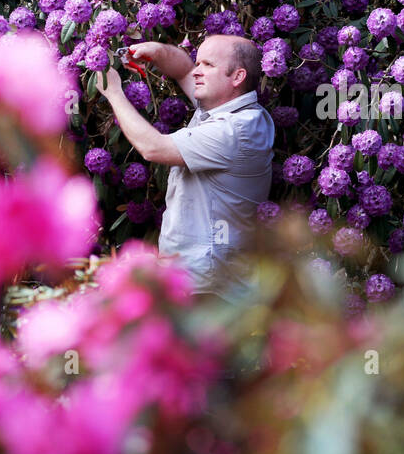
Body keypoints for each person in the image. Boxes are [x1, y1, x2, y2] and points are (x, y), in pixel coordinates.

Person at [95, 35, 275, 304]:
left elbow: (153, 148)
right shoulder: (220, 108)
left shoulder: (237, 128)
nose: (198, 71)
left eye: (208, 65)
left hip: (210, 288)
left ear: (237, 77)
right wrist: (155, 50)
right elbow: (183, 69)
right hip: (194, 280)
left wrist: (113, 92)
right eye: (198, 61)